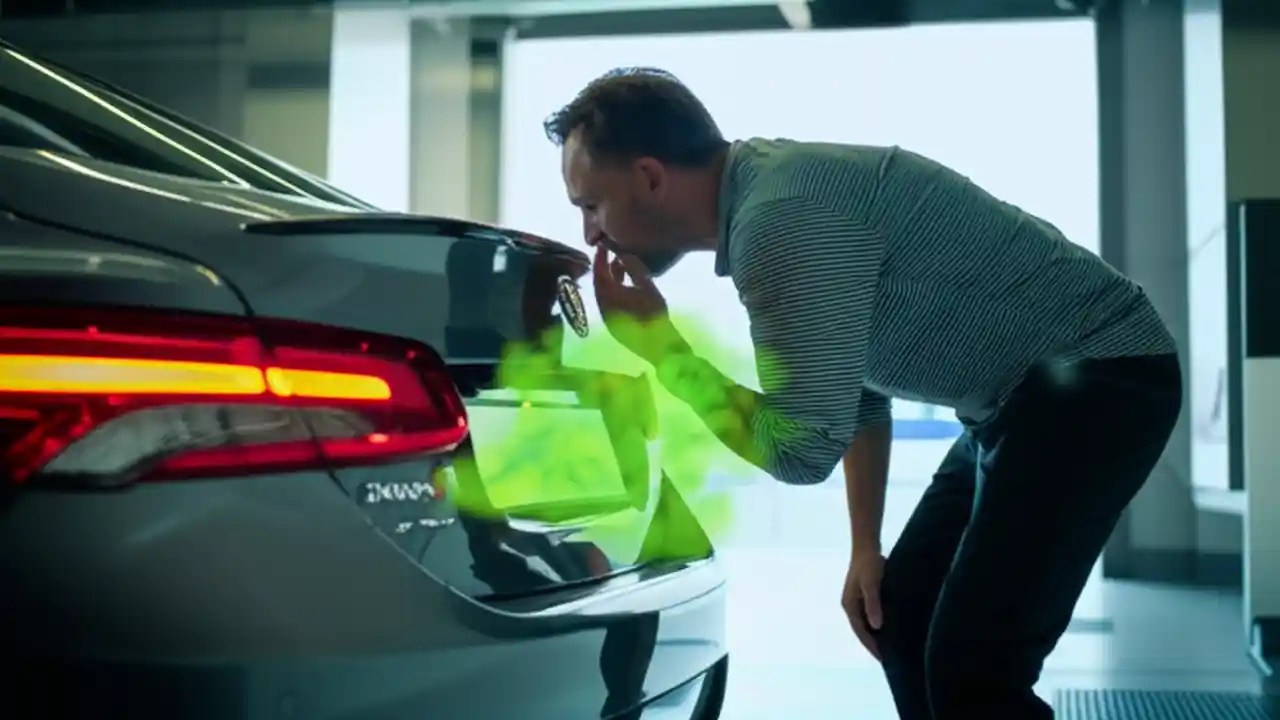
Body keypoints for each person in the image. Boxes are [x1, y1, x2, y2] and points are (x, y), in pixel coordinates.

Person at [544, 67, 1181, 719]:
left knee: (976, 672)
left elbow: (798, 452)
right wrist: (865, 547)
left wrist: (665, 353)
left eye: (591, 205)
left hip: (1100, 378)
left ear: (650, 176)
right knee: (900, 616)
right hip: (1023, 399)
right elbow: (860, 395)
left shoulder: (778, 224)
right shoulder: (769, 189)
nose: (591, 234)